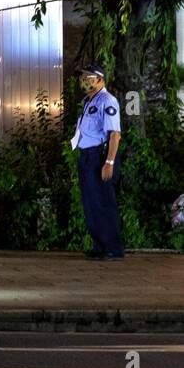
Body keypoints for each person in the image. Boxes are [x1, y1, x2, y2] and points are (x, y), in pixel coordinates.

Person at [71, 64, 124, 261]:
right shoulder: (88, 101)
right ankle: (100, 246)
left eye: (89, 77)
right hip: (86, 156)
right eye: (82, 77)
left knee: (104, 203)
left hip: (99, 157)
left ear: (100, 79)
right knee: (91, 203)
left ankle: (113, 248)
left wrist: (109, 162)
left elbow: (114, 135)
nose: (84, 80)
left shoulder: (107, 101)